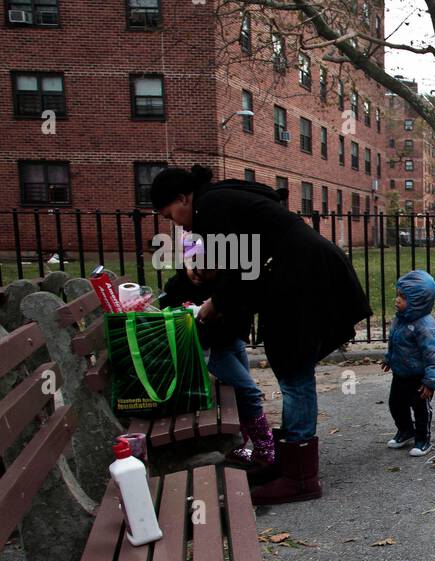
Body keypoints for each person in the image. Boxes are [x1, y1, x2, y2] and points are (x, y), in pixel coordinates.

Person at [149, 164, 371, 505]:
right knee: (288, 364)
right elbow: (241, 261)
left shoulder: (210, 207)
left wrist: (214, 304)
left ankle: (300, 478)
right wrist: (210, 283)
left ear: (182, 198)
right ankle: (287, 462)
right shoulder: (220, 200)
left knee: (294, 371)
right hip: (299, 276)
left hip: (303, 279)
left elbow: (242, 271)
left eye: (170, 214)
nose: (176, 224)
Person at [158, 230, 272, 471]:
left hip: (231, 342)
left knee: (243, 392)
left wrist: (221, 312)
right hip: (209, 349)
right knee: (249, 392)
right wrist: (194, 315)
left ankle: (238, 446)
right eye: (194, 265)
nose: (199, 273)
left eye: (206, 267)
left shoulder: (225, 285)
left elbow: (243, 310)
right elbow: (168, 314)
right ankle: (264, 450)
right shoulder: (179, 285)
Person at [381, 270, 435, 457]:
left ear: (417, 301)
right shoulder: (400, 319)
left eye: (403, 297)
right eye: (398, 295)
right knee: (396, 404)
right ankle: (406, 430)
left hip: (419, 378)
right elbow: (395, 342)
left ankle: (423, 439)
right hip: (400, 374)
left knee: (421, 410)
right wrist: (388, 358)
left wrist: (430, 382)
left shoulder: (426, 327)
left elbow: (433, 356)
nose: (397, 300)